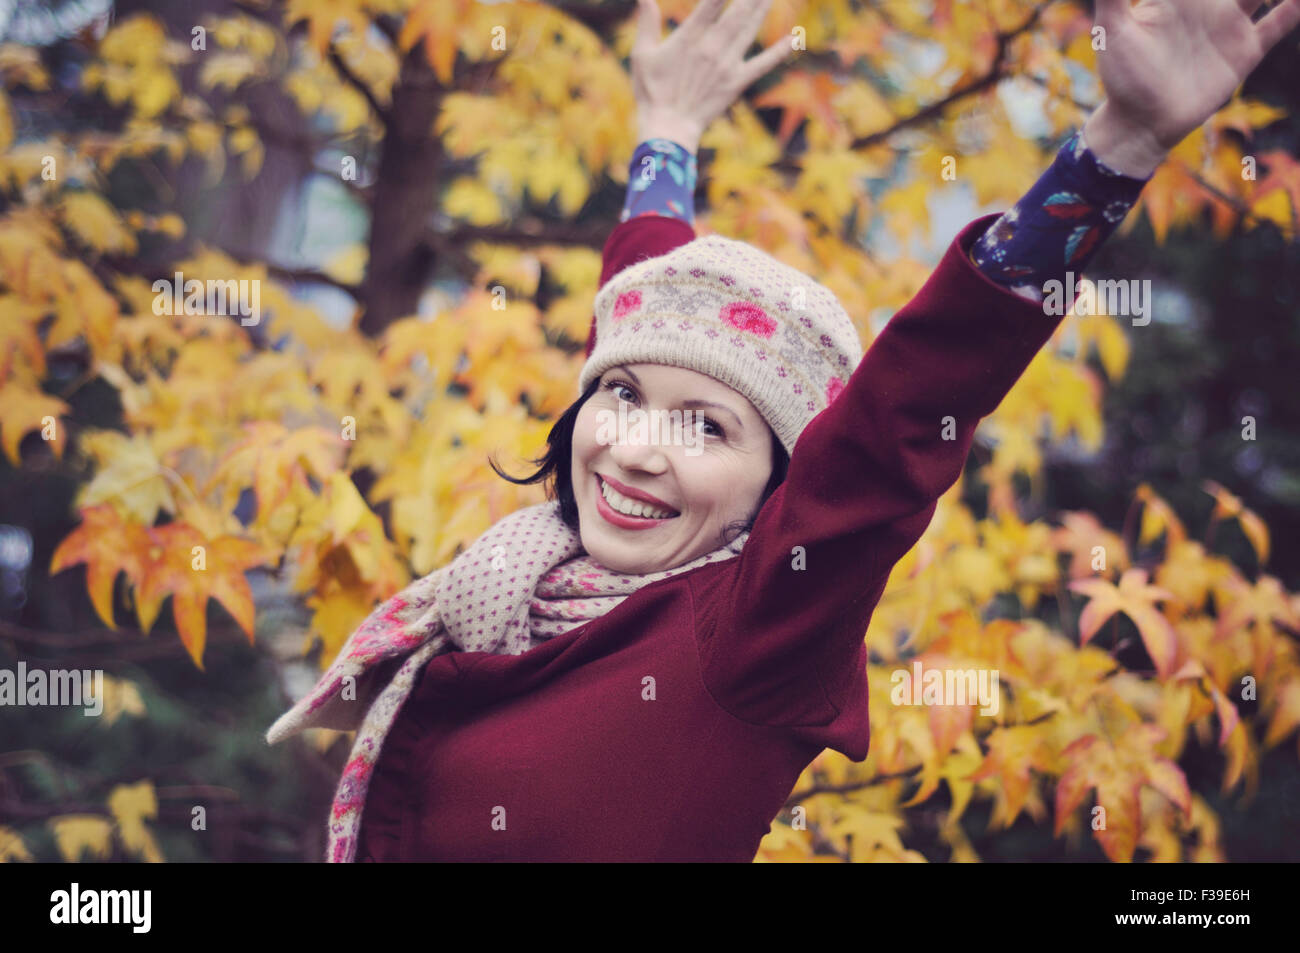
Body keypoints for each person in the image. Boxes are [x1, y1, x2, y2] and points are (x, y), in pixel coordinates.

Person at [267, 0, 1300, 862]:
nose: (634, 445)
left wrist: (1113, 151)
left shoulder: (753, 633)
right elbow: (638, 308)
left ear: (780, 486)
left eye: (708, 426)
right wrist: (665, 130)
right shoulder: (523, 580)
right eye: (618, 397)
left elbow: (902, 414)